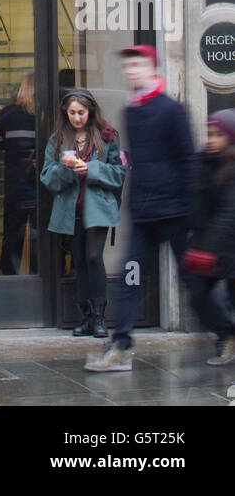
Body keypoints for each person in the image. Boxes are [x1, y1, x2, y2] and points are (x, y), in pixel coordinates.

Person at [85, 45, 195, 372]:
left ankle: (224, 332)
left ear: (152, 68)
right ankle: (120, 345)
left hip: (174, 212)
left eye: (138, 65)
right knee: (129, 279)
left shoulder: (171, 109)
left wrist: (190, 209)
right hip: (145, 213)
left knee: (194, 282)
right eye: (128, 66)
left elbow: (188, 159)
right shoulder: (131, 111)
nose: (131, 71)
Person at [41, 90, 126, 339]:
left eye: (81, 112)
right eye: (72, 113)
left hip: (97, 207)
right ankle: (86, 316)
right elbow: (47, 176)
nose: (77, 118)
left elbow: (119, 174)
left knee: (92, 257)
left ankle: (100, 316)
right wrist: (67, 170)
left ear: (90, 112)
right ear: (65, 114)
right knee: (78, 260)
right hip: (71, 209)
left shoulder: (106, 138)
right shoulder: (57, 140)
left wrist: (91, 169)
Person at [181, 109, 235, 366]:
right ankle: (228, 334)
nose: (212, 139)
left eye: (218, 134)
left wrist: (208, 249)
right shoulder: (203, 162)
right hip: (208, 245)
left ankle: (228, 341)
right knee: (198, 296)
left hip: (227, 247)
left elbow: (228, 213)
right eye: (209, 133)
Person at [0, 73, 38, 276]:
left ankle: (8, 276)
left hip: (15, 182)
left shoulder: (8, 114)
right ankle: (40, 276)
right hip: (42, 183)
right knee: (41, 234)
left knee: (12, 233)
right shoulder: (50, 113)